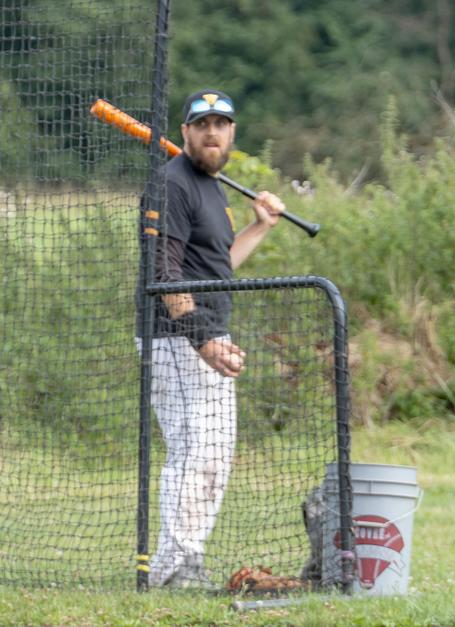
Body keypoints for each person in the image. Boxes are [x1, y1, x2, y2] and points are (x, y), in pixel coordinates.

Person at [148, 89, 285, 589]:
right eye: (201, 123)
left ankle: (189, 559)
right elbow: (165, 273)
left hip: (206, 335)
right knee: (194, 451)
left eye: (220, 124)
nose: (211, 132)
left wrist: (259, 227)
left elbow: (214, 266)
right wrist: (203, 340)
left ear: (232, 134)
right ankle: (173, 567)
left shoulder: (209, 187)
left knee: (214, 454)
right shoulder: (172, 184)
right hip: (176, 339)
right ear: (184, 131)